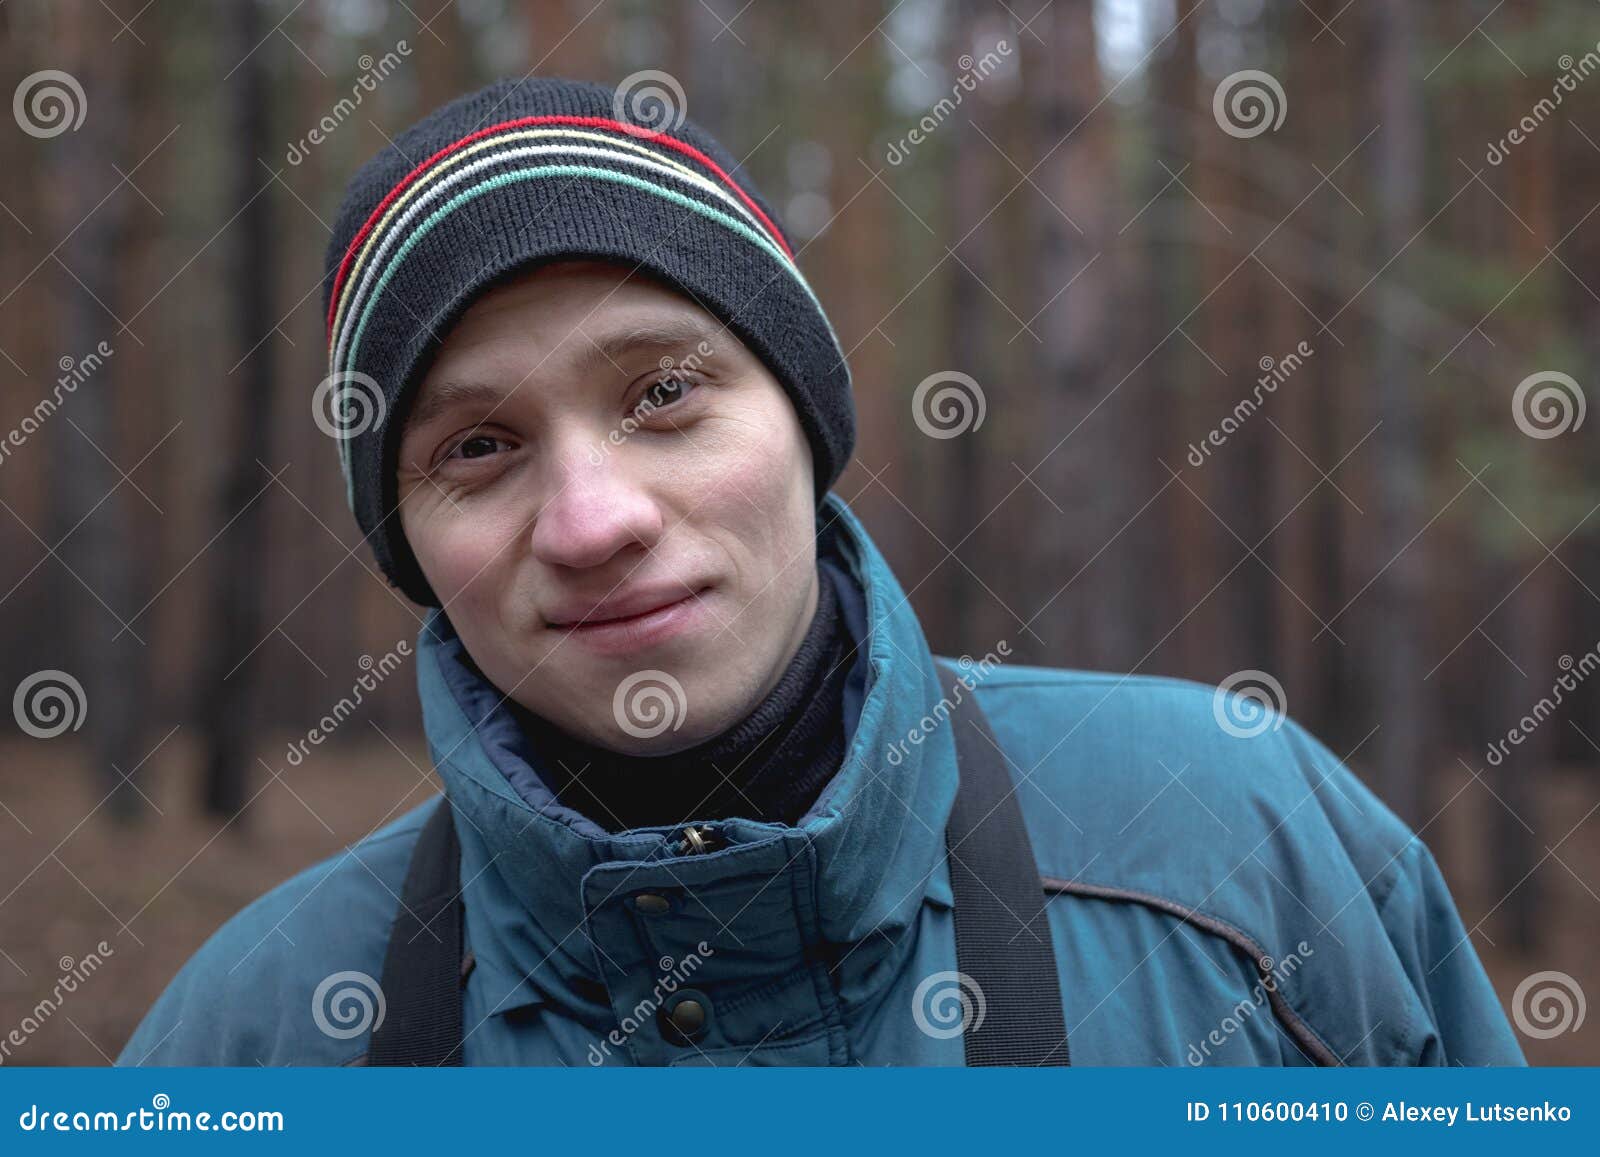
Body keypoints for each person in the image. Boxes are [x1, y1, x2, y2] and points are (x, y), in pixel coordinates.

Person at [117, 77, 1524, 1068]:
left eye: (664, 390)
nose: (594, 518)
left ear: (804, 419)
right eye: (477, 445)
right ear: (411, 540)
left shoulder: (1246, 855)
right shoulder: (258, 1034)